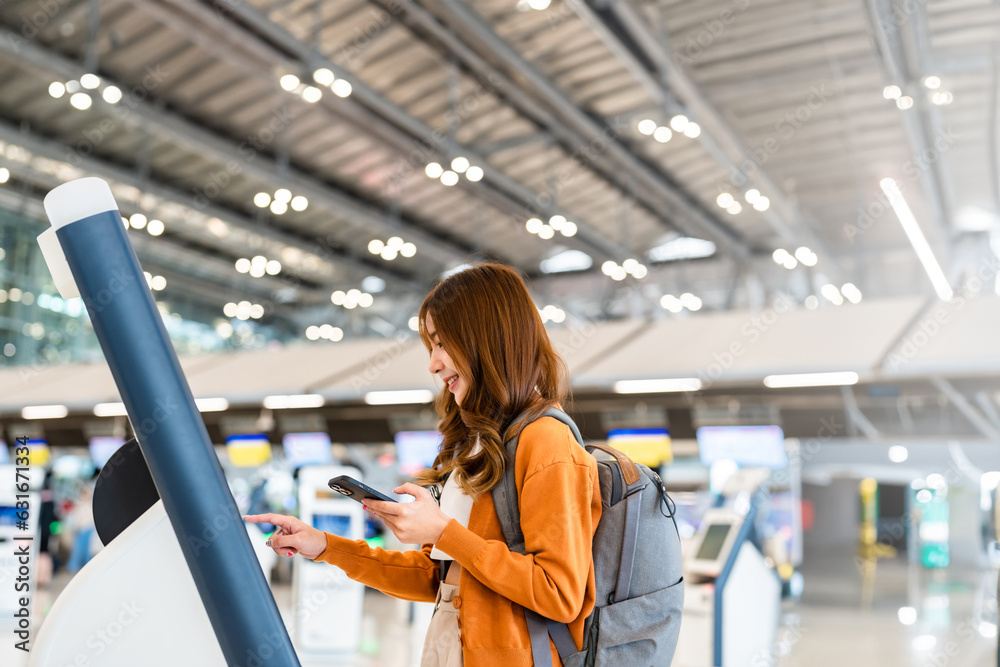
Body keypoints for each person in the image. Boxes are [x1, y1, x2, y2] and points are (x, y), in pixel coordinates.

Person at [245, 262, 602, 666]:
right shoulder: (480, 445)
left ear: (486, 338)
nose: (433, 364)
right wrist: (326, 546)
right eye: (431, 347)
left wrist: (444, 531)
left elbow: (559, 593)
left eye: (442, 343)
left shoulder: (547, 441)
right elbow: (438, 578)